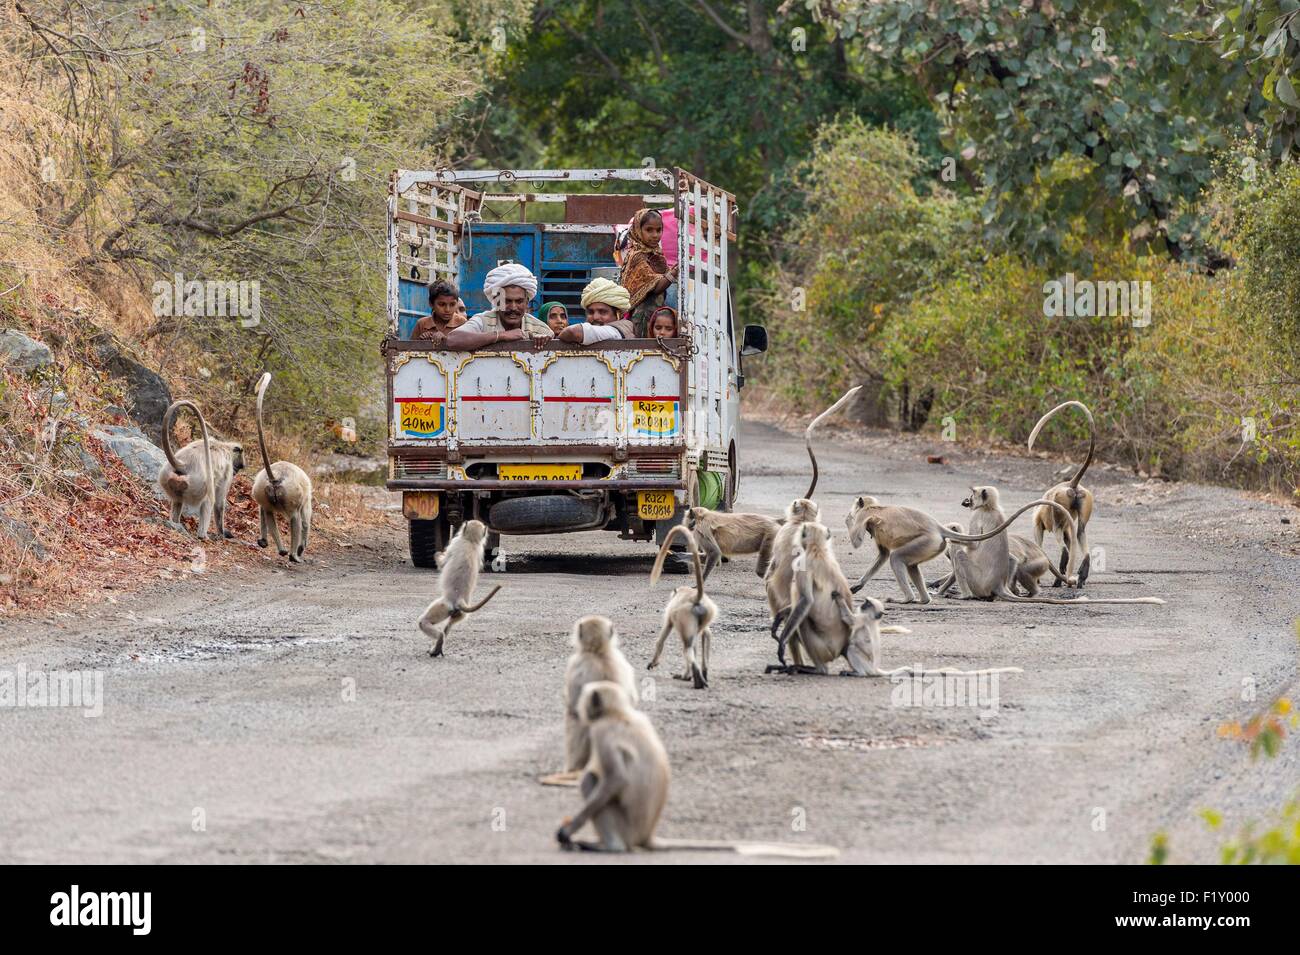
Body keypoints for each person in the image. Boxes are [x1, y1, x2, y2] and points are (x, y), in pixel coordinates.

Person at [443, 263, 553, 350]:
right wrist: (500, 336)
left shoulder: (540, 329)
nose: (513, 307)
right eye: (507, 301)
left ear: (527, 302)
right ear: (496, 301)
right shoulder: (482, 321)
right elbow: (453, 339)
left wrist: (543, 340)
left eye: (519, 301)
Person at [618, 208, 678, 336]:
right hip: (642, 317)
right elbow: (656, 287)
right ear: (638, 230)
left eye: (658, 230)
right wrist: (673, 273)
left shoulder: (656, 254)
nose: (655, 235)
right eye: (649, 230)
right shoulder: (637, 256)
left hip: (655, 314)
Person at [555, 279, 634, 345]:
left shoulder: (621, 328)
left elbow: (573, 332)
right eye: (591, 312)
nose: (595, 317)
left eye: (602, 312)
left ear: (618, 314)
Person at [411, 280, 465, 346]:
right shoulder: (422, 324)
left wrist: (446, 340)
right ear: (431, 303)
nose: (447, 310)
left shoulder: (462, 323)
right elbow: (410, 350)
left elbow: (468, 346)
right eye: (442, 304)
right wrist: (422, 342)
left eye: (452, 304)